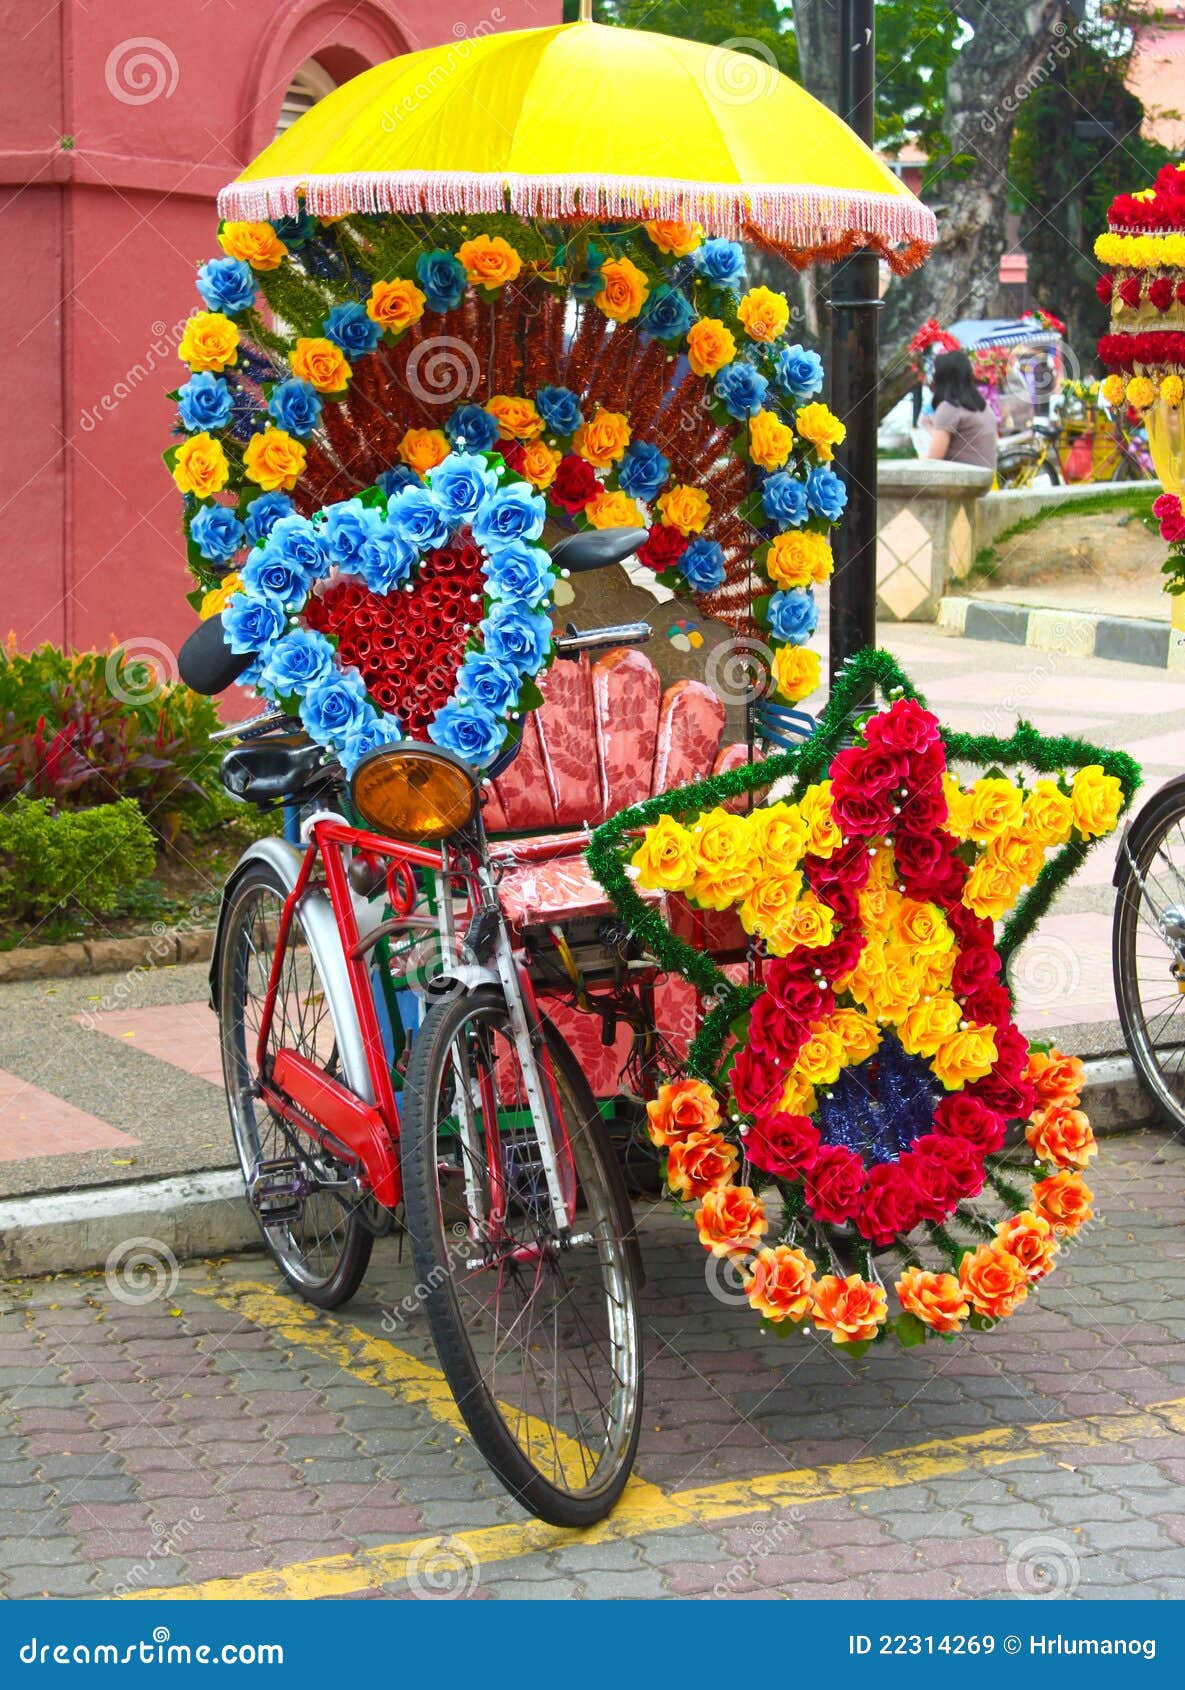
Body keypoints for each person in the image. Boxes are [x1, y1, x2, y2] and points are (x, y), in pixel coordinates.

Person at [924, 350, 998, 469]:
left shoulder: (949, 408)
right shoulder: (983, 406)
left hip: (960, 484)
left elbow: (933, 461)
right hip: (985, 481)